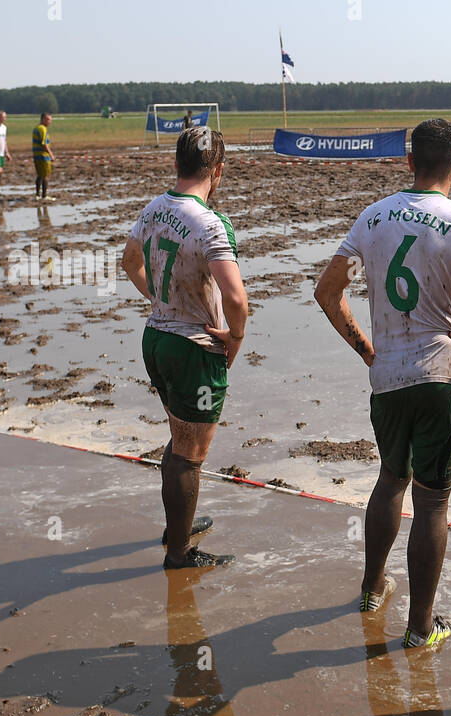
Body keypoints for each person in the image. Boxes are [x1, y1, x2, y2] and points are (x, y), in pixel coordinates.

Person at [313, 118, 451, 647]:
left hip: (389, 376)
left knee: (390, 480)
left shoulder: (373, 217)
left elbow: (327, 291)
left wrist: (367, 350)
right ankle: (419, 628)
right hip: (443, 378)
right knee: (432, 502)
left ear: (410, 162)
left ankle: (371, 588)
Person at [121, 126, 249, 570]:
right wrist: (236, 337)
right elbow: (236, 299)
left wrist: (158, 298)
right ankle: (179, 553)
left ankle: (179, 525)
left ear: (177, 163)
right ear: (218, 170)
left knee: (179, 440)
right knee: (189, 457)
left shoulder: (154, 208)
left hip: (156, 337)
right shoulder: (211, 223)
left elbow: (129, 262)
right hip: (192, 347)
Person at [32, 113, 55, 201]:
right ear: (43, 119)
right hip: (43, 156)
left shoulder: (36, 128)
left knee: (40, 175)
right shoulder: (42, 129)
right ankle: (44, 195)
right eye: (48, 120)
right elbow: (44, 144)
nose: (50, 122)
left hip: (36, 155)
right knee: (46, 175)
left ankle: (37, 194)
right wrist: (51, 154)